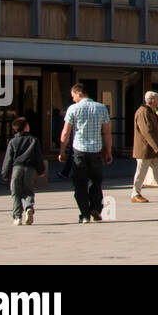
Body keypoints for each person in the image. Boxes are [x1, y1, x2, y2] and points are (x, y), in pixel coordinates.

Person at [59, 82, 113, 223]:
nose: (73, 99)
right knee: (96, 182)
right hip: (96, 150)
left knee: (80, 183)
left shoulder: (73, 109)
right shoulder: (101, 108)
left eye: (73, 96)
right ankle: (95, 207)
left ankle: (84, 214)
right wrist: (108, 151)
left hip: (79, 151)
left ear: (79, 93)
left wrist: (62, 151)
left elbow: (65, 133)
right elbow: (107, 132)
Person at [0, 116, 45, 226]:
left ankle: (17, 217)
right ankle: (29, 207)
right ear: (25, 128)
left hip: (16, 169)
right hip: (30, 169)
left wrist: (5, 173)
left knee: (15, 193)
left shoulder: (12, 141)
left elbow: (8, 159)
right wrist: (41, 170)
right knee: (28, 190)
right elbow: (38, 157)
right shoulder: (34, 140)